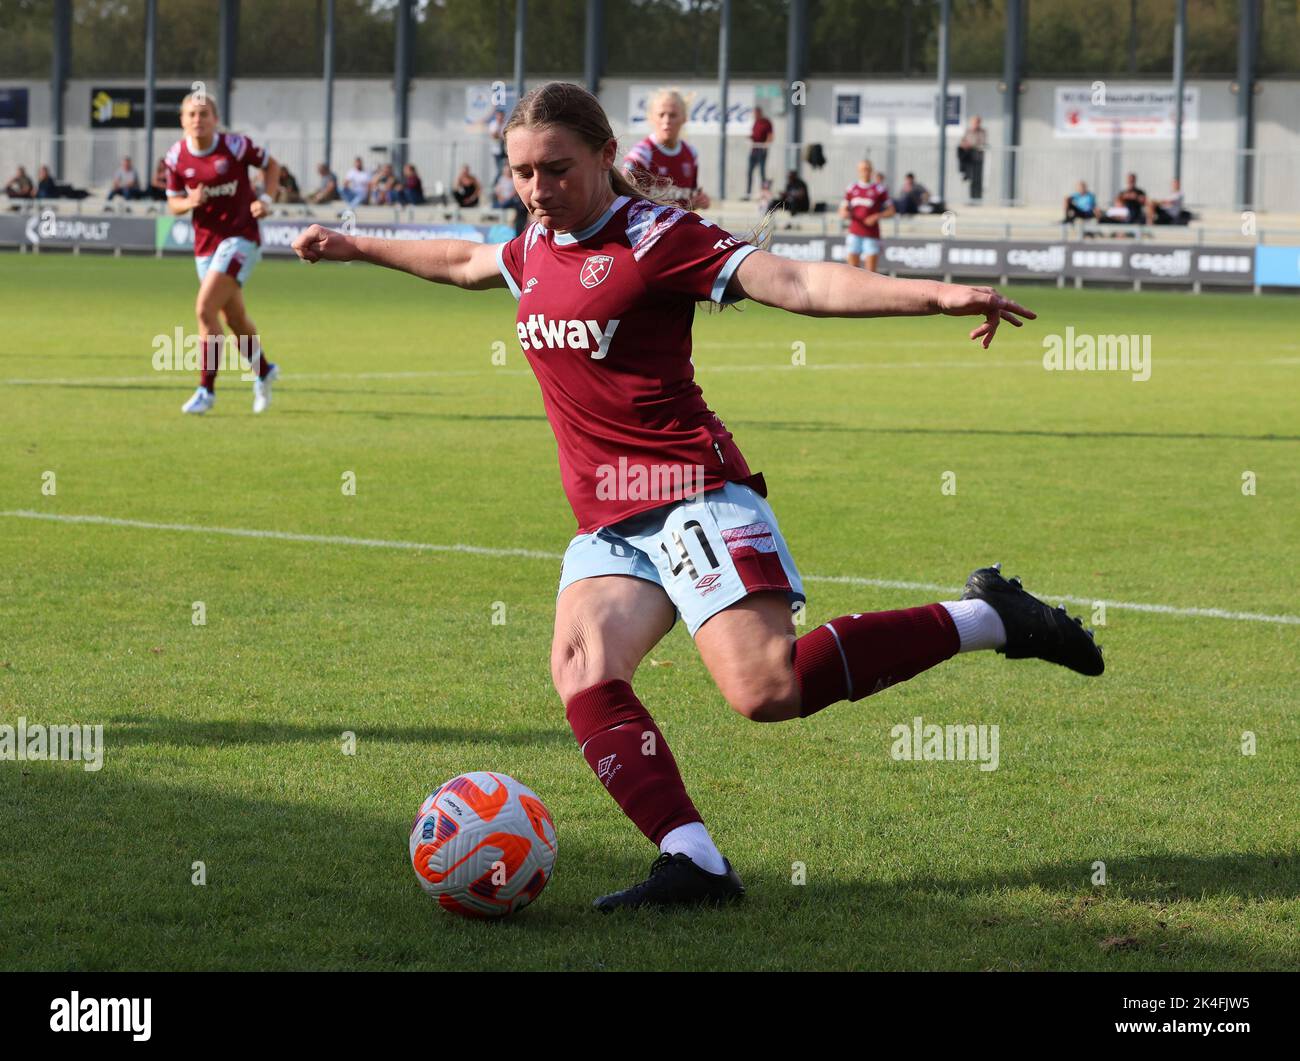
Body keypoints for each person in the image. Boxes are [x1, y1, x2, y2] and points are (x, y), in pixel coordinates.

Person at [291, 81, 1101, 913]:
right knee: (581, 666)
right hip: (608, 518)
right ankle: (694, 862)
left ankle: (992, 617)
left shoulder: (657, 237)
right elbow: (464, 261)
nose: (538, 190)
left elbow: (797, 283)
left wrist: (935, 294)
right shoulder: (535, 242)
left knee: (766, 689)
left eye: (557, 170)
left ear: (607, 156)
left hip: (689, 493)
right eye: (522, 173)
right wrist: (354, 244)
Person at [164, 91, 281, 415]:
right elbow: (173, 202)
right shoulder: (175, 157)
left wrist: (267, 200)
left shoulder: (235, 146)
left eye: (204, 114)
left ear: (215, 119)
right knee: (234, 319)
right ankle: (264, 371)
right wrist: (190, 202)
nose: (197, 120)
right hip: (206, 246)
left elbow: (272, 166)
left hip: (242, 238)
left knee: (204, 309)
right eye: (191, 114)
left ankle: (206, 390)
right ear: (182, 120)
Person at [623, 88, 709, 211]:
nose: (666, 120)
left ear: (684, 118)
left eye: (673, 115)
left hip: (678, 227)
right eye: (661, 114)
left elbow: (687, 203)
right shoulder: (642, 154)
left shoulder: (691, 154)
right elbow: (621, 195)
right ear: (651, 118)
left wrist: (698, 202)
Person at [839, 159, 894, 273]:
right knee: (852, 270)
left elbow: (891, 211)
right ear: (858, 171)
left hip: (871, 234)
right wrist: (844, 213)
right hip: (854, 232)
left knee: (870, 272)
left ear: (872, 171)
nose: (865, 172)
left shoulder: (879, 189)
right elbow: (842, 209)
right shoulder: (851, 188)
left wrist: (876, 216)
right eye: (863, 169)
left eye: (867, 169)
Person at [744, 105, 774, 198]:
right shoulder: (755, 122)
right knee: (749, 172)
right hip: (754, 150)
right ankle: (748, 193)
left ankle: (763, 193)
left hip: (761, 150)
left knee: (762, 172)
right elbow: (754, 135)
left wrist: (766, 145)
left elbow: (770, 135)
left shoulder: (766, 122)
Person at [957, 115, 987, 202]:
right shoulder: (968, 131)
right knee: (971, 180)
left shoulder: (982, 132)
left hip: (978, 158)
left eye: (977, 122)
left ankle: (977, 199)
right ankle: (971, 199)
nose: (975, 124)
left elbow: (982, 143)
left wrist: (971, 145)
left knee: (977, 180)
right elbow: (963, 141)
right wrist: (965, 144)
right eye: (974, 122)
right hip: (969, 159)